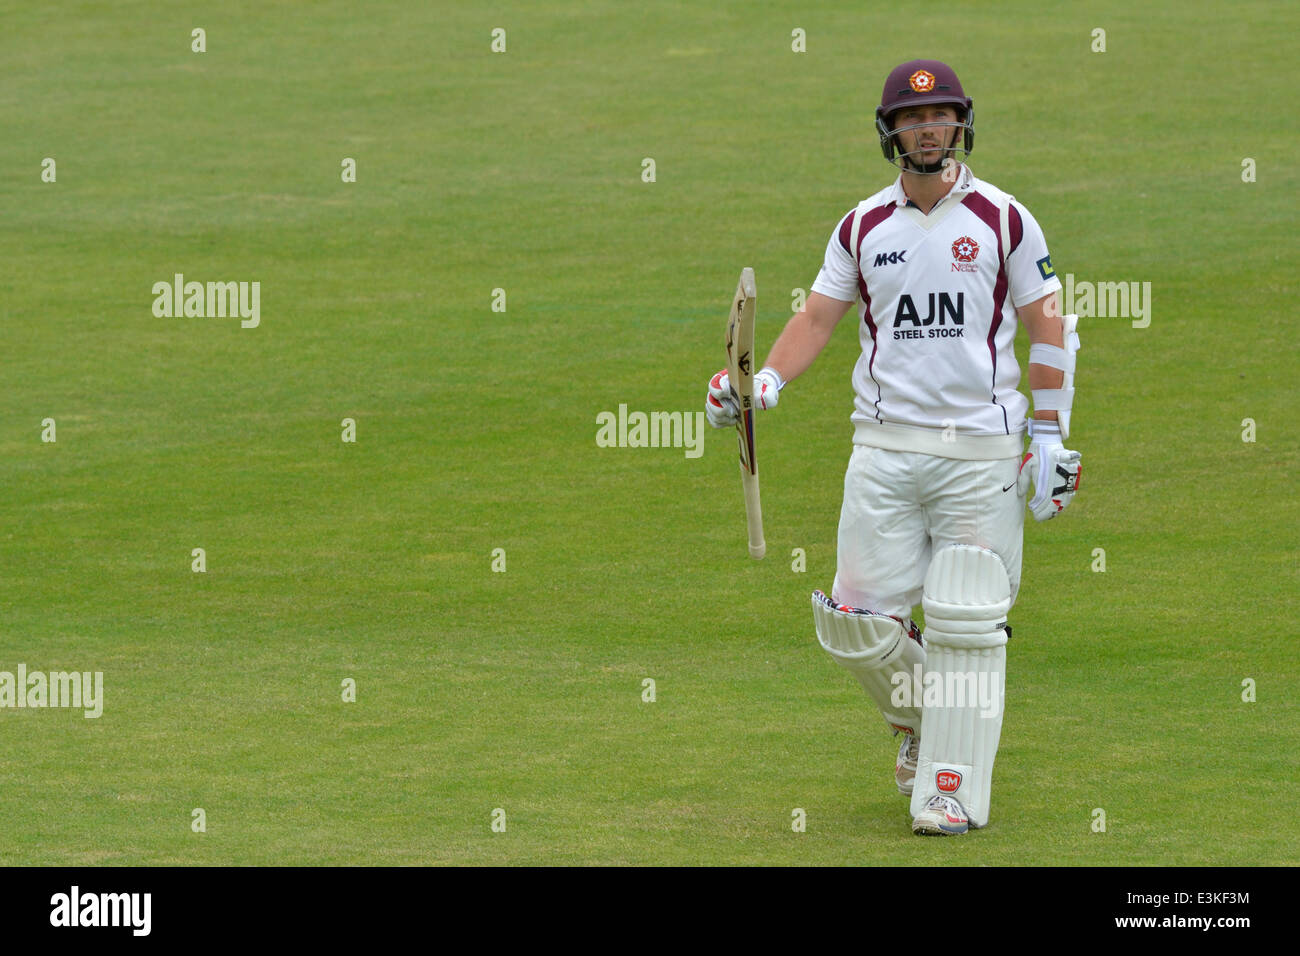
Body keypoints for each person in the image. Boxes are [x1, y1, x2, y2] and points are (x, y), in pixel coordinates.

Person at [706, 59, 1081, 836]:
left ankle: (949, 787)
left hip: (980, 452)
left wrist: (1048, 433)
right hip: (883, 450)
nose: (927, 128)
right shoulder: (862, 227)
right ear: (891, 132)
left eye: (939, 115)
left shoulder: (1007, 219)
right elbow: (815, 318)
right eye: (912, 119)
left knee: (966, 617)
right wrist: (763, 384)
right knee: (854, 625)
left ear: (960, 123)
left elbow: (1048, 323)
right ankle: (917, 718)